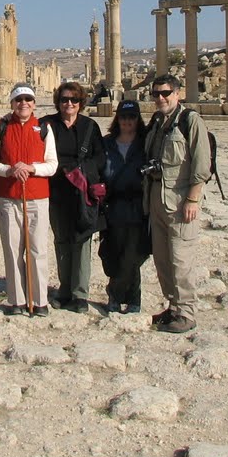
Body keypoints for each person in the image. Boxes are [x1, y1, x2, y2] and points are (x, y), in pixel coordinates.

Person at [143, 74, 211, 334]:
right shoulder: (158, 122)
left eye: (166, 93)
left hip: (181, 201)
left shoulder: (190, 121)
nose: (160, 98)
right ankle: (173, 307)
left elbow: (202, 165)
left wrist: (193, 198)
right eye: (156, 94)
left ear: (177, 94)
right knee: (162, 258)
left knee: (181, 260)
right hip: (157, 199)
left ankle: (187, 312)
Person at [0, 84, 58, 317]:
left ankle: (39, 300)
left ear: (34, 103)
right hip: (7, 196)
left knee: (38, 249)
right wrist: (9, 170)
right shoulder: (2, 127)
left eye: (28, 99)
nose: (23, 103)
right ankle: (16, 299)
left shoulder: (44, 128)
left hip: (37, 196)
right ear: (12, 103)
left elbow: (52, 164)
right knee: (12, 248)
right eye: (19, 99)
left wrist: (32, 168)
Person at [41, 81, 106, 314]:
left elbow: (100, 158)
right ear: (58, 102)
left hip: (81, 192)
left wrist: (80, 172)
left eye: (74, 100)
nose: (69, 104)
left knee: (82, 240)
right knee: (62, 240)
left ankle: (80, 294)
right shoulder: (47, 124)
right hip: (56, 191)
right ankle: (64, 289)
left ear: (81, 103)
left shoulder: (90, 127)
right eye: (64, 100)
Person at [98, 100, 150, 314]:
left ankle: (128, 296)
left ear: (138, 119)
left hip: (138, 205)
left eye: (132, 117)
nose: (127, 121)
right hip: (113, 205)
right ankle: (117, 294)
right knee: (113, 251)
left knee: (134, 253)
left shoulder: (146, 142)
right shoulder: (107, 143)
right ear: (117, 118)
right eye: (123, 117)